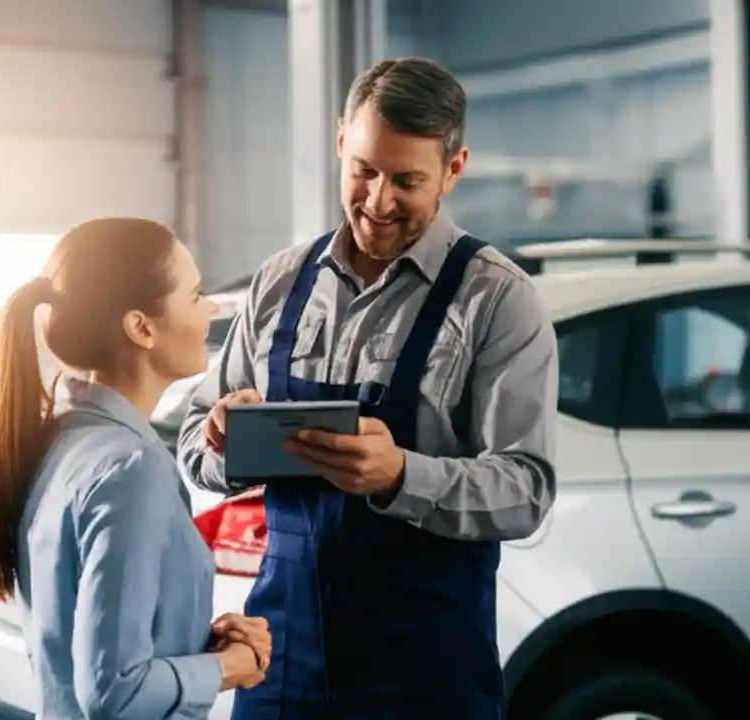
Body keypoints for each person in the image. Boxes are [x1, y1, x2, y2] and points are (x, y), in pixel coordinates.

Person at [178, 58, 558, 718]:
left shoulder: (497, 299)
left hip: (425, 671)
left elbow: (526, 489)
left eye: (406, 180)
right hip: (280, 656)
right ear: (339, 144)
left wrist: (399, 476)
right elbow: (194, 448)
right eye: (363, 170)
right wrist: (221, 442)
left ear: (453, 168)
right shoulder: (279, 282)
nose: (378, 201)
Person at [0, 218, 273, 719]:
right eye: (196, 296)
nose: (212, 309)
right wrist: (230, 668)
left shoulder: (62, 439)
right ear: (141, 327)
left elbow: (87, 639)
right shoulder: (132, 469)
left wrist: (203, 644)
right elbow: (115, 693)